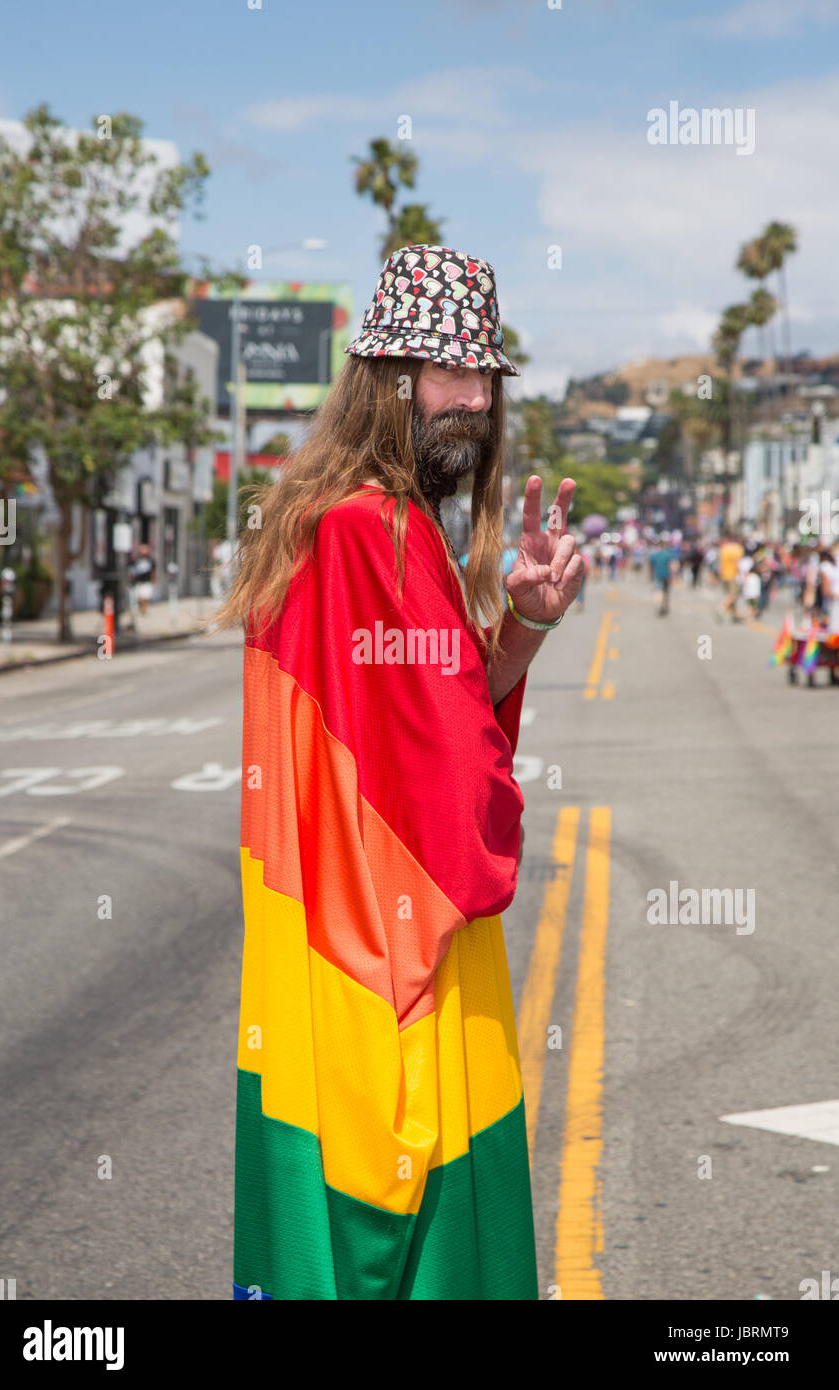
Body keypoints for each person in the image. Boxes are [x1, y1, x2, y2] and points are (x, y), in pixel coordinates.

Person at [209, 244, 584, 1302]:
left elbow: (430, 723)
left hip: (312, 973)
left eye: (482, 374)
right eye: (443, 370)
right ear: (387, 378)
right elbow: (457, 794)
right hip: (386, 972)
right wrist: (485, 794)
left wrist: (521, 625)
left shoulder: (331, 518)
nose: (470, 398)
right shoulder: (375, 533)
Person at [716, 533, 744, 621]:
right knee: (733, 596)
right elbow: (738, 563)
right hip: (733, 575)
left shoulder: (724, 548)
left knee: (730, 596)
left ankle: (735, 615)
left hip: (724, 575)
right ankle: (720, 609)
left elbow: (720, 562)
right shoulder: (738, 549)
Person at [130, 543, 155, 616]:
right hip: (139, 581)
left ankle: (144, 609)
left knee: (146, 597)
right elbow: (133, 570)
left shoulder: (150, 560)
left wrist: (153, 579)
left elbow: (153, 571)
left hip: (147, 581)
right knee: (140, 597)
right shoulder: (137, 560)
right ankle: (142, 608)